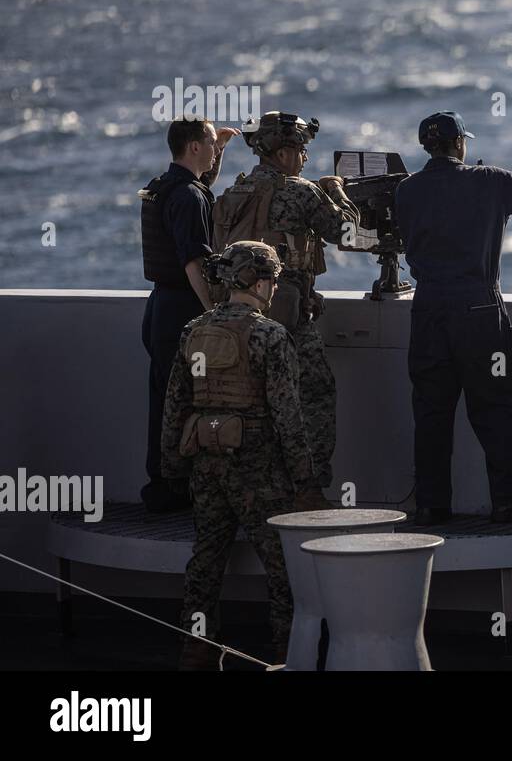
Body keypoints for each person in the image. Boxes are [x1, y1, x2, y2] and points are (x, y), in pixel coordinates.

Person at [394, 110, 512, 525]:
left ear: (426, 146)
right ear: (461, 143)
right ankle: (506, 503)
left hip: (428, 309)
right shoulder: (487, 182)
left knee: (431, 412)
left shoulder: (407, 191)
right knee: (495, 408)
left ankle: (430, 505)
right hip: (478, 309)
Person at [160, 241, 319, 669]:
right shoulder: (270, 335)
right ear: (256, 280)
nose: (273, 287)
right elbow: (288, 415)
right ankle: (289, 654)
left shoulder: (194, 331)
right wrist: (304, 480)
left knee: (205, 563)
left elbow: (176, 404)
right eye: (271, 278)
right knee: (283, 569)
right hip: (259, 470)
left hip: (207, 465)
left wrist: (172, 466)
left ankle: (197, 648)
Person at [211, 111, 358, 498]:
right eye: (302, 149)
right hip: (286, 318)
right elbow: (346, 231)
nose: (305, 159)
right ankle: (308, 490)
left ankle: (252, 489)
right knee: (313, 396)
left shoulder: (235, 193)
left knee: (252, 403)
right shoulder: (300, 190)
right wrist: (337, 190)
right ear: (285, 151)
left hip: (235, 319)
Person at [139, 116, 239, 513]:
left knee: (163, 398)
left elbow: (201, 188)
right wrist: (214, 311)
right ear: (195, 147)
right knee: (182, 402)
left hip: (160, 307)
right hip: (182, 308)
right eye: (212, 143)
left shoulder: (165, 186)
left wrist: (224, 146)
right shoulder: (187, 197)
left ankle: (162, 484)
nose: (215, 148)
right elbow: (194, 261)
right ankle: (173, 489)